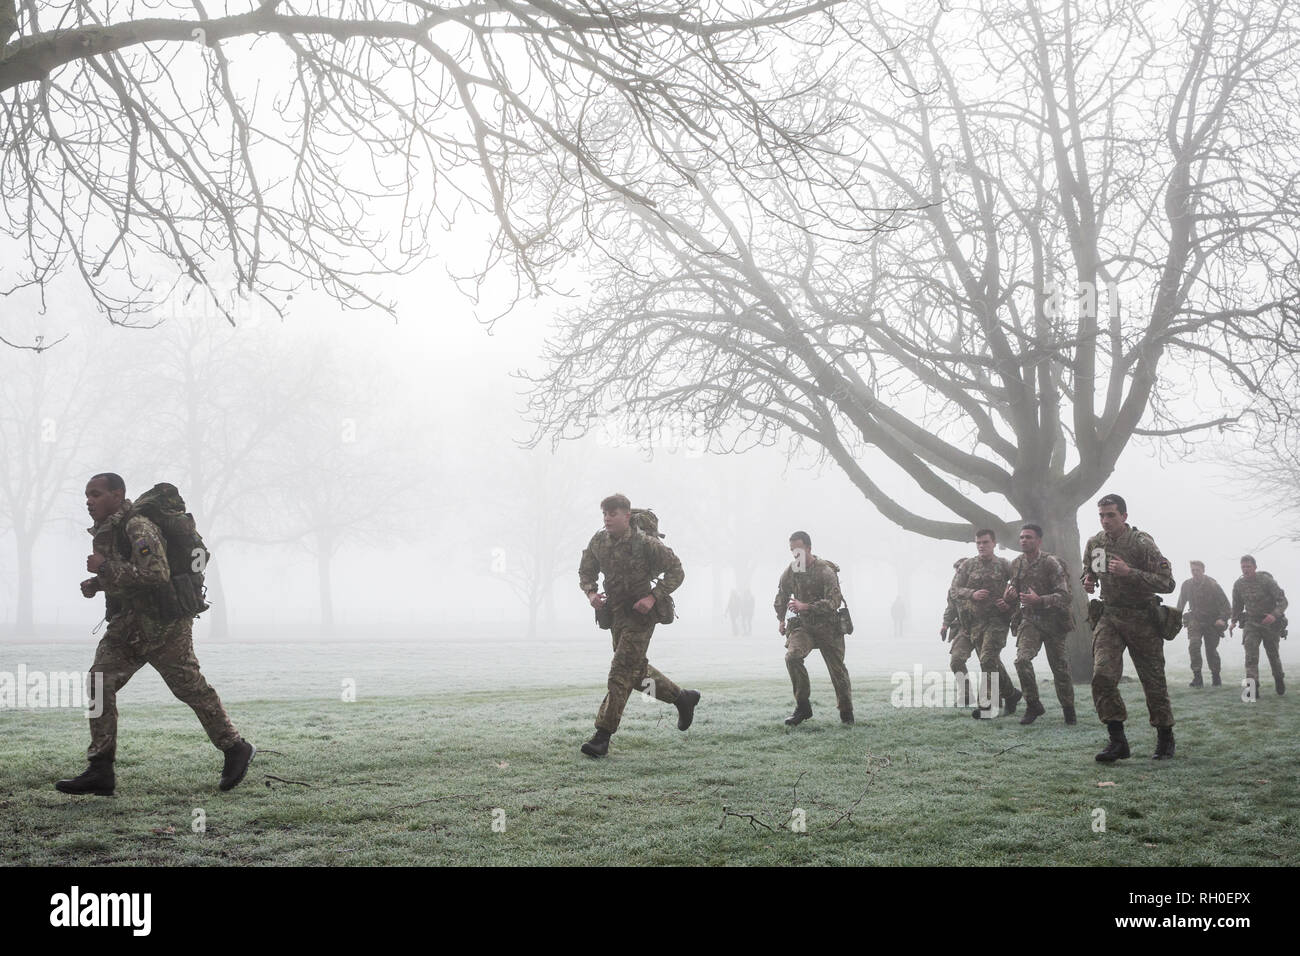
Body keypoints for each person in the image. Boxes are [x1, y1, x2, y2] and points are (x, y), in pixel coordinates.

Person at [56, 474, 254, 796]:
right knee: (99, 682)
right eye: (86, 495)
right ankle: (100, 769)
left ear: (118, 495)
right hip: (128, 627)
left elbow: (156, 574)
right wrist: (99, 583)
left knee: (190, 689)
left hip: (165, 627)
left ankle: (235, 748)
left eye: (96, 494)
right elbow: (132, 576)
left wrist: (104, 568)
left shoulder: (138, 527)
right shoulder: (113, 530)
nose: (89, 501)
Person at [578, 494, 699, 758]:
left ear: (627, 516)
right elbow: (586, 571)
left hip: (641, 616)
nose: (607, 519)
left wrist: (652, 597)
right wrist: (591, 595)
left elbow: (677, 571)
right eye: (605, 514)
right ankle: (682, 698)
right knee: (635, 674)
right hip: (616, 615)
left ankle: (602, 736)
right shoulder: (599, 541)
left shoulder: (646, 544)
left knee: (620, 671)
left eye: (613, 514)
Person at [1082, 493, 1176, 762]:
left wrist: (1130, 572)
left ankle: (1165, 736)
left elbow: (1167, 583)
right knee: (1102, 675)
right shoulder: (1095, 543)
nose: (1105, 520)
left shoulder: (1141, 543)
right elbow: (1088, 570)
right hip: (1109, 616)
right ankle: (1117, 740)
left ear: (1124, 516)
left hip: (1142, 619)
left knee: (1153, 681)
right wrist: (1088, 581)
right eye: (1101, 515)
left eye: (1110, 515)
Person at [775, 531, 853, 725]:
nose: (795, 553)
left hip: (828, 627)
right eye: (792, 549)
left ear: (809, 548)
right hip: (804, 627)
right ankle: (803, 707)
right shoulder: (791, 572)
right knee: (792, 657)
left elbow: (834, 602)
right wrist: (781, 619)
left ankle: (846, 713)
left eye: (798, 549)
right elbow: (782, 595)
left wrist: (806, 606)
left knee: (838, 670)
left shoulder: (825, 571)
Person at [1003, 524, 1075, 726]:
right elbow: (1014, 591)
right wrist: (1008, 597)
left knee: (1059, 668)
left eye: (1029, 537)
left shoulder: (1051, 563)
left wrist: (1040, 600)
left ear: (1039, 541)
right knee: (1022, 660)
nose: (1024, 540)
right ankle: (1033, 704)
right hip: (1030, 621)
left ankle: (1069, 711)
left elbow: (1065, 596)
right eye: (1022, 537)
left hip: (1054, 622)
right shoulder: (1016, 564)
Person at [950, 530, 1022, 718]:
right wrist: (971, 594)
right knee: (991, 661)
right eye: (978, 543)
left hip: (997, 621)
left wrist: (1008, 601)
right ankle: (1012, 694)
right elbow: (954, 590)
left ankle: (987, 705)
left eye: (985, 542)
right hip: (974, 622)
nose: (981, 546)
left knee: (988, 659)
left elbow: (1018, 586)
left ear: (994, 543)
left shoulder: (1005, 565)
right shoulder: (968, 565)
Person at [1231, 555, 1287, 697]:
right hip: (1251, 623)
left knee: (1273, 655)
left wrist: (1273, 615)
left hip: (1270, 623)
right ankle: (1252, 689)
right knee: (1250, 656)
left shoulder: (1266, 581)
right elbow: (1237, 605)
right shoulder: (1238, 585)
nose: (1245, 569)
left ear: (1255, 567)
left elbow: (1283, 601)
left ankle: (1279, 679)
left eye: (1248, 566)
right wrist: (1233, 621)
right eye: (1243, 567)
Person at [1175, 561, 1231, 687]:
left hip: (1212, 622)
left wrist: (1222, 619)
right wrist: (1174, 619)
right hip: (1195, 620)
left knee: (1211, 650)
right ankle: (1197, 677)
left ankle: (1216, 676)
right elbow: (1180, 604)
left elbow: (1226, 606)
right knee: (1194, 645)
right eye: (1192, 570)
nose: (1195, 572)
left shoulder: (1213, 585)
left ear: (1203, 570)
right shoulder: (1187, 585)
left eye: (1197, 570)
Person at [941, 558, 976, 707]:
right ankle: (967, 695)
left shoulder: (982, 584)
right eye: (957, 571)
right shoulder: (954, 589)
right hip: (964, 628)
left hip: (984, 628)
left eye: (961, 571)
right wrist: (945, 624)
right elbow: (951, 608)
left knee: (990, 663)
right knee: (956, 660)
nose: (958, 574)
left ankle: (1003, 694)